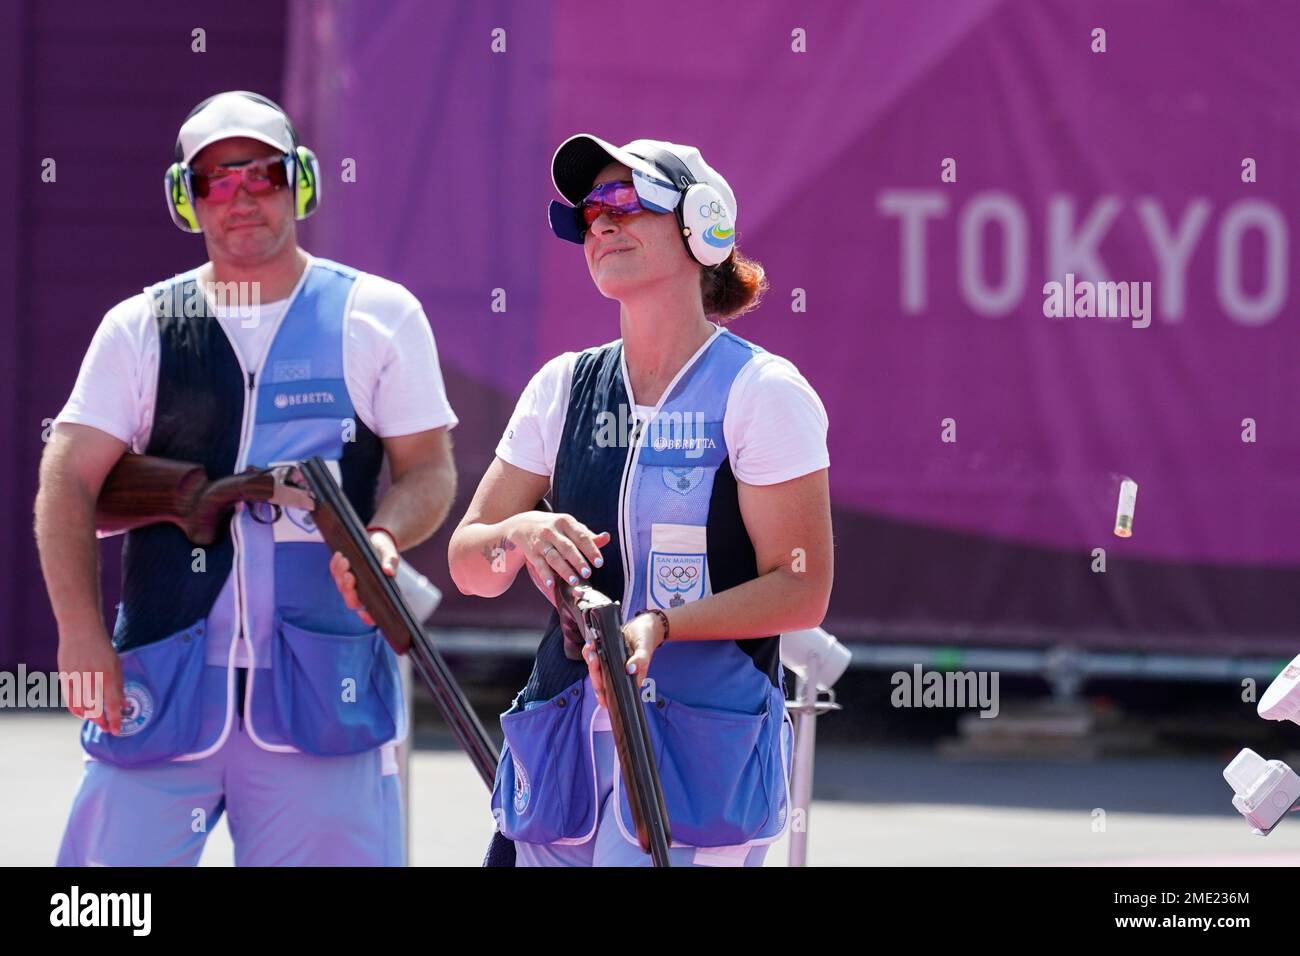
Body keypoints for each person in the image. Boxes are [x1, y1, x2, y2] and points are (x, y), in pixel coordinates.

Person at [34, 91, 459, 866]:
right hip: (161, 685)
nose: (240, 197)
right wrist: (79, 633)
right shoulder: (141, 326)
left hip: (326, 691)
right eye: (215, 180)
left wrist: (385, 535)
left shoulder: (379, 314)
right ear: (184, 198)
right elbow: (65, 480)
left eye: (261, 174)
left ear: (300, 181)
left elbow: (428, 467)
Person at [445, 134, 833, 866]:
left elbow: (802, 588)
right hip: (561, 759)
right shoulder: (561, 385)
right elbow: (470, 563)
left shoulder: (763, 393)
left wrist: (660, 625)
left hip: (695, 763)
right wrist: (521, 532)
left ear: (704, 224)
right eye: (589, 211)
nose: (602, 221)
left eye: (627, 199)